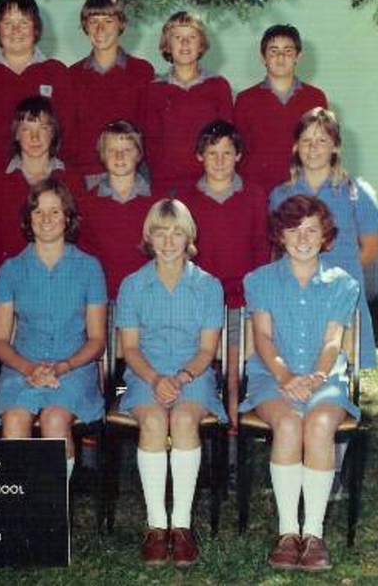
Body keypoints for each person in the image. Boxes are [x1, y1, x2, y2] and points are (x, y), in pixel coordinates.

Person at [240, 194, 360, 572]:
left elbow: (331, 342)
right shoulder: (259, 280)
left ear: (325, 236)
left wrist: (316, 378)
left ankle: (314, 533)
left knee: (321, 424)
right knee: (289, 424)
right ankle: (288, 531)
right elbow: (263, 338)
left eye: (312, 230)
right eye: (294, 230)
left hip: (324, 375)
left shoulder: (342, 283)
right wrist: (286, 377)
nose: (303, 238)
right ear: (280, 235)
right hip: (272, 375)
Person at [114, 199, 226, 567]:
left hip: (192, 374)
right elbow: (129, 347)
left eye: (177, 232)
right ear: (149, 237)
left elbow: (208, 349)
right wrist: (155, 378)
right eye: (160, 232)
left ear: (189, 236)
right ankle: (155, 526)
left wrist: (180, 377)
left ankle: (181, 526)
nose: (168, 241)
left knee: (181, 420)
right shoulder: (133, 285)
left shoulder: (209, 286)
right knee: (153, 421)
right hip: (146, 373)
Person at [0, 179, 107, 482]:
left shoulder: (89, 268)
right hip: (21, 368)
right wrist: (29, 369)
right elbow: (0, 342)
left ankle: (51, 513)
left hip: (73, 367)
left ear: (67, 218)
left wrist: (63, 366)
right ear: (29, 218)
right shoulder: (11, 270)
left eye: (55, 212)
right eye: (39, 212)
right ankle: (18, 508)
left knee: (55, 418)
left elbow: (96, 340)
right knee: (14, 419)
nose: (46, 219)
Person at [268, 107, 378, 370]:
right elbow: (277, 249)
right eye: (306, 141)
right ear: (296, 146)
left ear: (335, 146)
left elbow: (371, 248)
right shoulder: (281, 195)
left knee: (343, 369)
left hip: (340, 295)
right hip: (296, 294)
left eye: (321, 141)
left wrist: (334, 280)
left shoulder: (357, 193)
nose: (313, 148)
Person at [181, 120, 270, 426]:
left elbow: (261, 248)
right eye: (212, 152)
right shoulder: (186, 199)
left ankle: (231, 449)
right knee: (199, 375)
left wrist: (253, 299)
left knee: (233, 376)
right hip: (199, 303)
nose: (219, 160)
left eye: (227, 153)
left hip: (238, 301)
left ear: (239, 156)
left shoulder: (254, 195)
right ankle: (203, 443)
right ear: (199, 156)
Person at [0, 0, 73, 184]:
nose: (16, 31)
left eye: (23, 22)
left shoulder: (57, 73)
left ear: (36, 27)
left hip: (47, 183)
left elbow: (67, 130)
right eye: (7, 23)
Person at [0, 96, 83, 274]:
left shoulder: (72, 179)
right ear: (16, 134)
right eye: (26, 129)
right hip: (14, 277)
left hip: (64, 275)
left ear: (53, 132)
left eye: (42, 128)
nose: (35, 137)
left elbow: (79, 238)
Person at [141, 11, 233, 192]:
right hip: (167, 184)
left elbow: (226, 140)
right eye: (177, 37)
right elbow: (149, 144)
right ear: (167, 46)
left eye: (192, 37)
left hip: (210, 183)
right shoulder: (153, 90)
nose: (185, 43)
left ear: (201, 45)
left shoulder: (218, 86)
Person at [65, 0, 154, 171]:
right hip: (85, 175)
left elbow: (148, 131)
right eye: (93, 22)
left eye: (108, 21)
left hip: (130, 175)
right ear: (85, 26)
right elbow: (67, 136)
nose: (100, 29)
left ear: (121, 24)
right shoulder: (72, 75)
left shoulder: (142, 71)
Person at [234, 25, 328, 194]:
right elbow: (238, 152)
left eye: (288, 51)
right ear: (263, 57)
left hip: (303, 190)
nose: (281, 57)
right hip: (257, 191)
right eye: (273, 51)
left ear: (298, 56)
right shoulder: (245, 100)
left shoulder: (315, 97)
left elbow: (324, 149)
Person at [76, 121, 160, 299]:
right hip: (100, 297)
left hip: (147, 297)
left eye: (127, 150)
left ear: (139, 154)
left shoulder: (156, 202)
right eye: (112, 150)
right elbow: (82, 255)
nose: (119, 156)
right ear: (102, 155)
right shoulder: (86, 203)